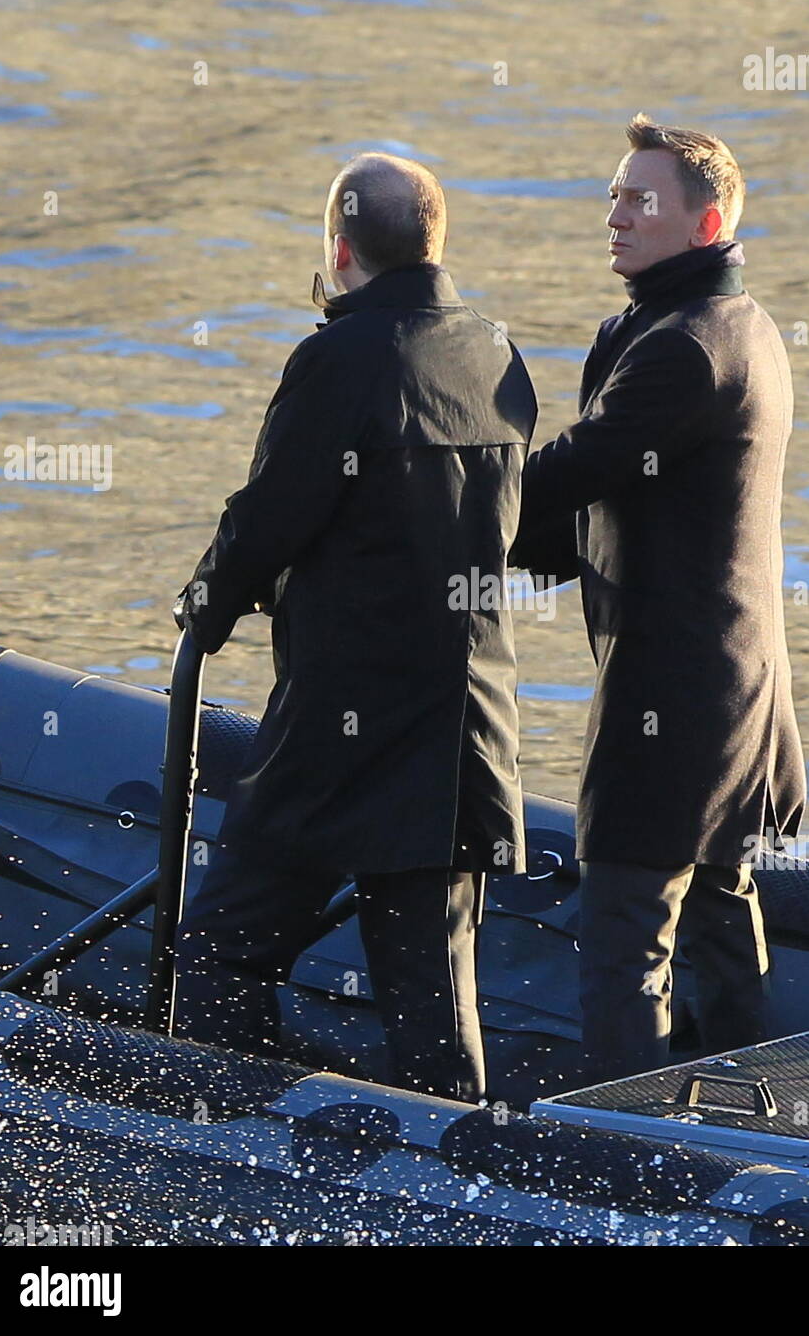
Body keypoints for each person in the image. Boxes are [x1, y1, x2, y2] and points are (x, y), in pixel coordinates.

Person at [172, 152, 538, 1103]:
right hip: (466, 725)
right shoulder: (496, 352)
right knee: (430, 990)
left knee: (221, 946)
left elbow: (270, 515)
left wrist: (209, 603)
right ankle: (456, 1179)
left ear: (338, 248)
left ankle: (227, 1133)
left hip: (345, 729)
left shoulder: (337, 359)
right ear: (436, 239)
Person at [511, 114, 806, 1084]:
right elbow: (602, 503)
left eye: (640, 199)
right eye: (611, 194)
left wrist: (429, 509)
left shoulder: (685, 346)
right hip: (734, 684)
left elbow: (567, 472)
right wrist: (468, 560)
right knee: (719, 901)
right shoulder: (730, 324)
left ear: (704, 220)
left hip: (672, 693)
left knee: (624, 926)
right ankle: (739, 1107)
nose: (615, 213)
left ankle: (625, 1152)